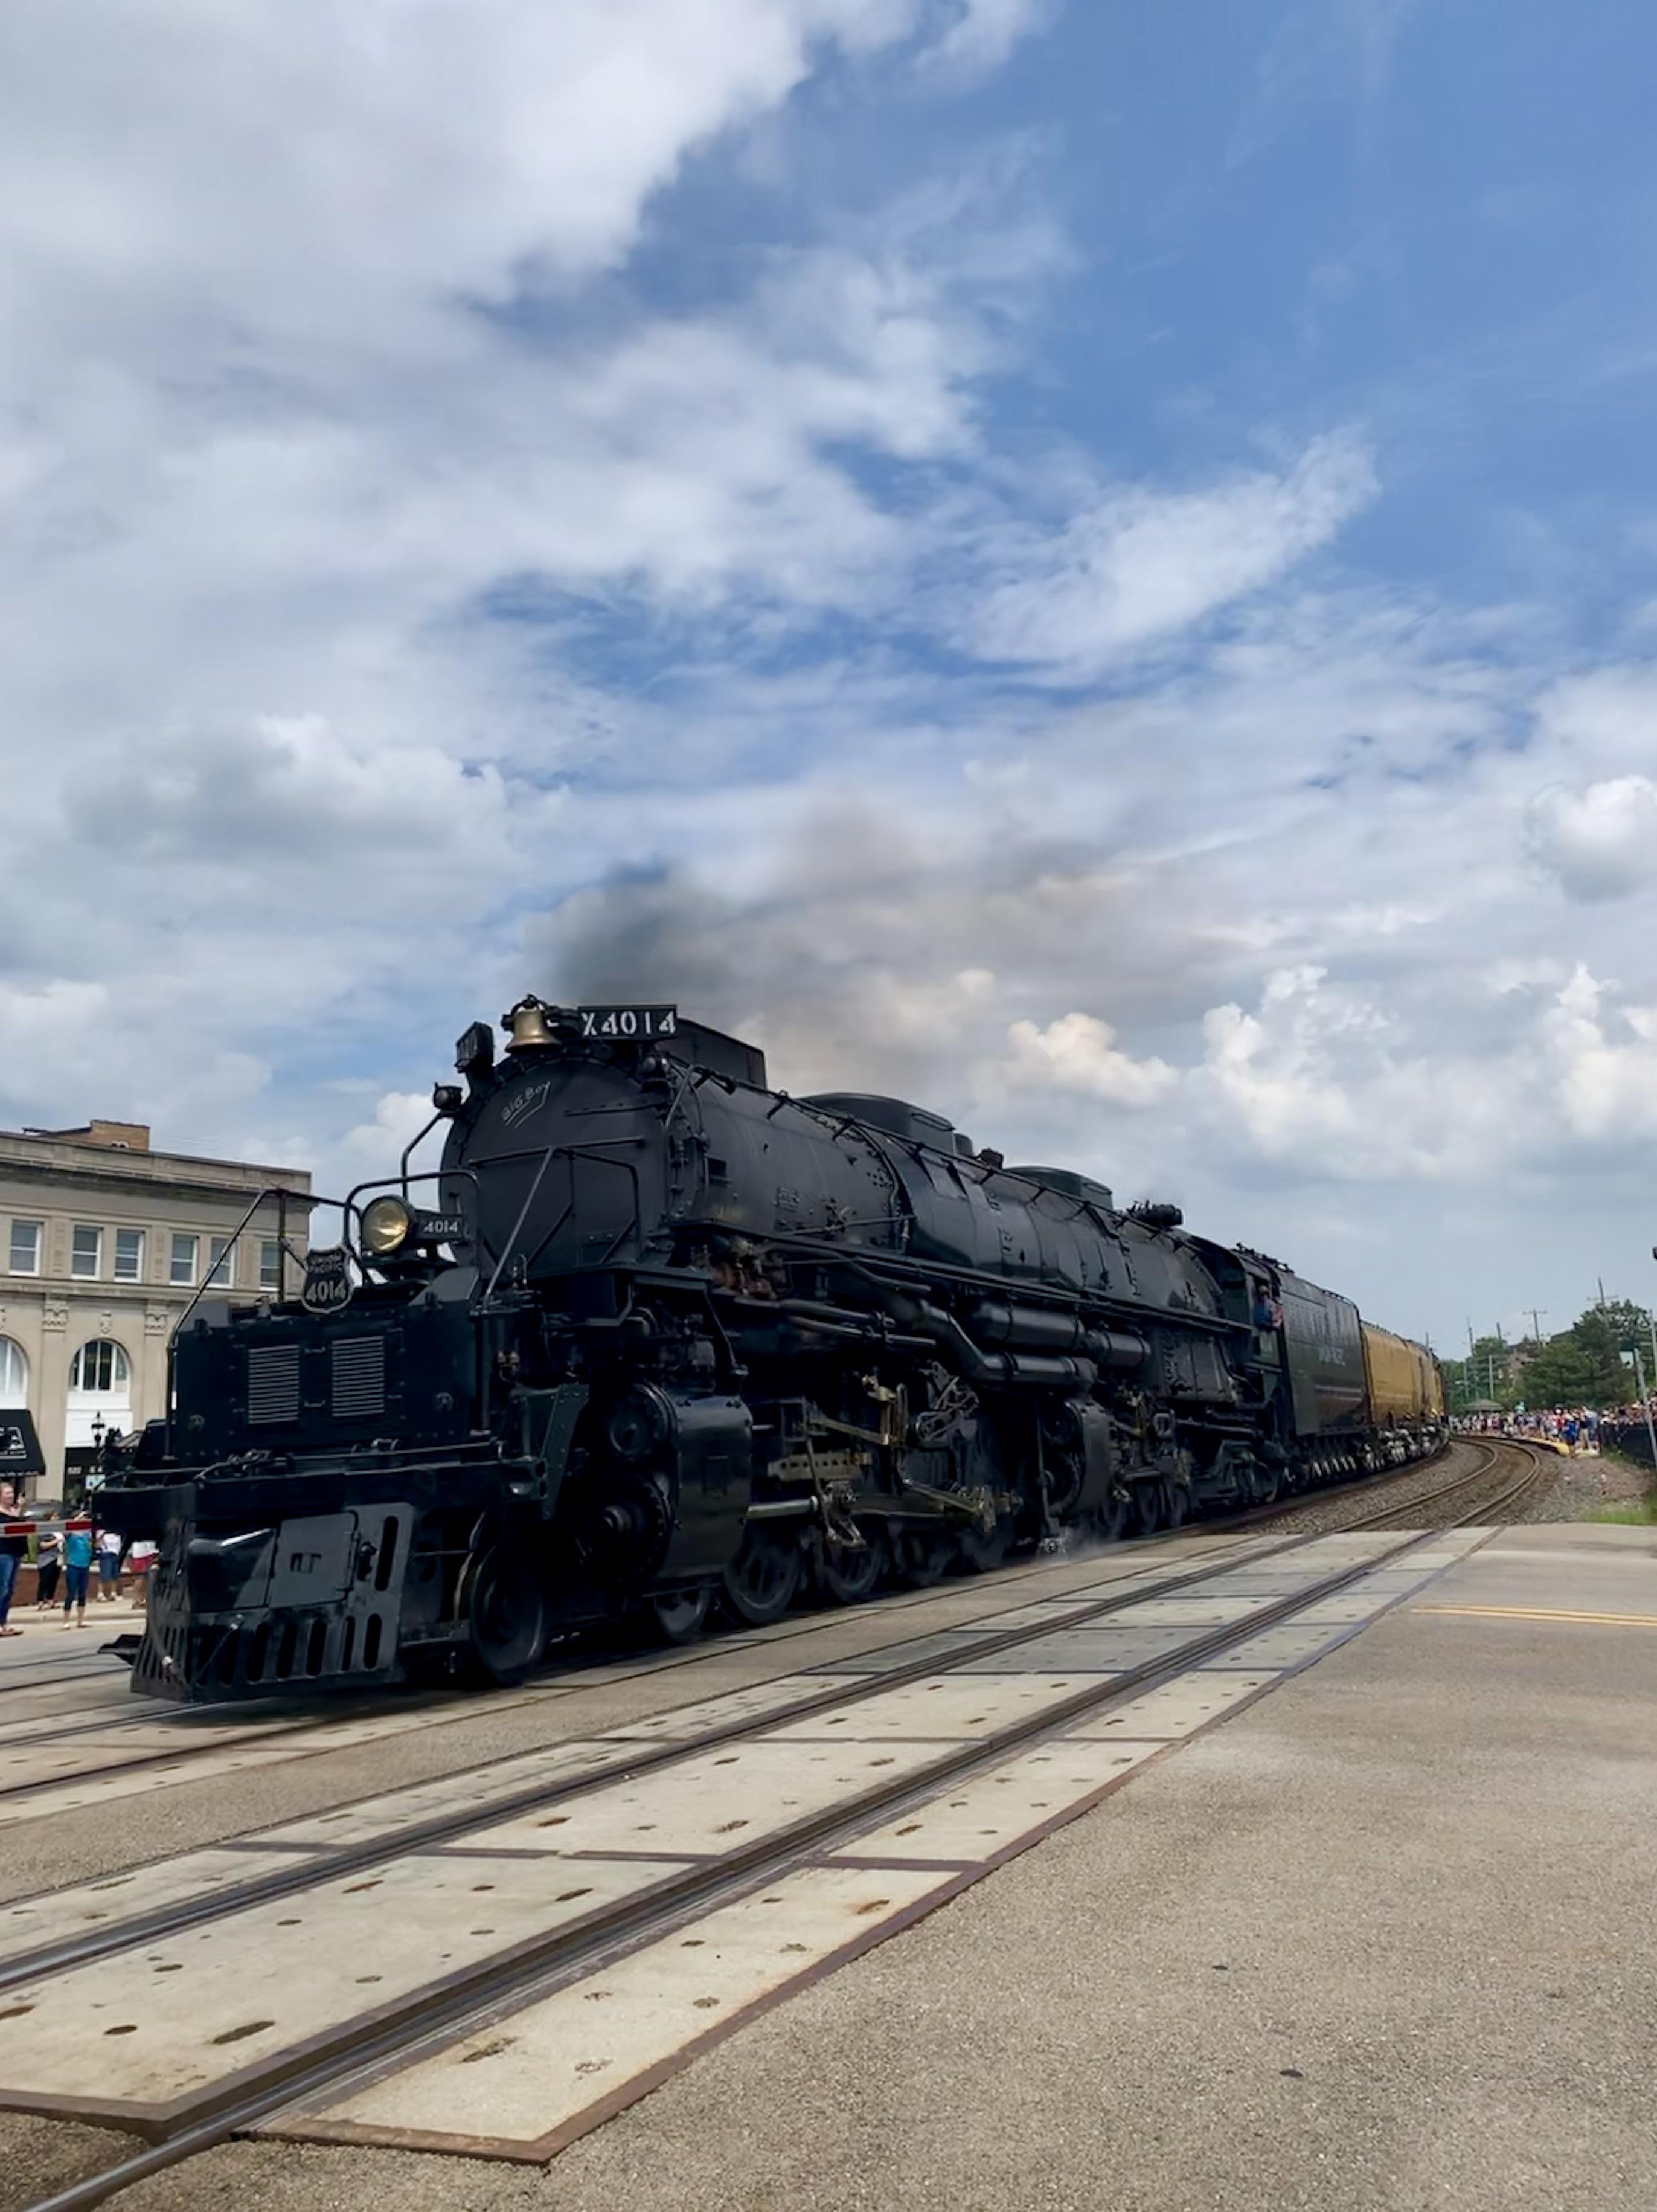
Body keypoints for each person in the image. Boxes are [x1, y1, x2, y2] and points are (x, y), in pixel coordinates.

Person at [0, 1481, 27, 1636]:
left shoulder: (15, 1511)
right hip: (3, 1553)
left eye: (12, 1493)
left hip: (16, 1552)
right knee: (2, 1588)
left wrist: (19, 1511)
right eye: (7, 1493)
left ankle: (4, 1623)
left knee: (10, 1589)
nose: (11, 1496)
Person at [61, 1519, 92, 1629]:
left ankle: (80, 1620)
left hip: (85, 1564)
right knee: (71, 1593)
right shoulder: (71, 1533)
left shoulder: (87, 1533)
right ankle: (66, 1620)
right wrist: (76, 1519)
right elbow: (64, 1533)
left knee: (82, 1593)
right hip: (73, 1565)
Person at [34, 1519, 62, 1610]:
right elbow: (43, 1545)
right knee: (45, 1580)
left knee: (54, 1580)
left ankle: (50, 1600)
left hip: (57, 1558)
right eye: (54, 1517)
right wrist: (56, 1541)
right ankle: (41, 1601)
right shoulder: (44, 1531)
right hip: (46, 1559)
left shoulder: (58, 1531)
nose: (56, 1519)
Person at [96, 1524, 123, 1602]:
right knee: (105, 1573)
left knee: (115, 1574)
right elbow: (98, 1540)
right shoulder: (102, 1529)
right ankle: (100, 1594)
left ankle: (113, 1593)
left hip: (115, 1552)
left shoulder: (118, 1531)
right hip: (106, 1552)